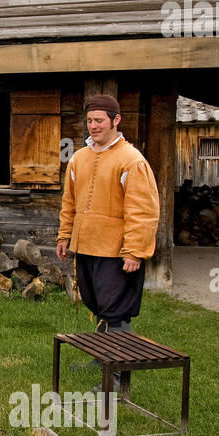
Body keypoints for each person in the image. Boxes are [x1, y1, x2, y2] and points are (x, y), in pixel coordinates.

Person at [56, 94, 161, 332]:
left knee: (116, 309)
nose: (93, 126)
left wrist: (134, 251)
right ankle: (103, 358)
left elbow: (143, 211)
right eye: (90, 120)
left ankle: (118, 365)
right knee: (97, 303)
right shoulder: (79, 158)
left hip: (116, 251)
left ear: (116, 121)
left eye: (99, 120)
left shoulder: (132, 160)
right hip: (86, 245)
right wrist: (65, 236)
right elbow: (69, 202)